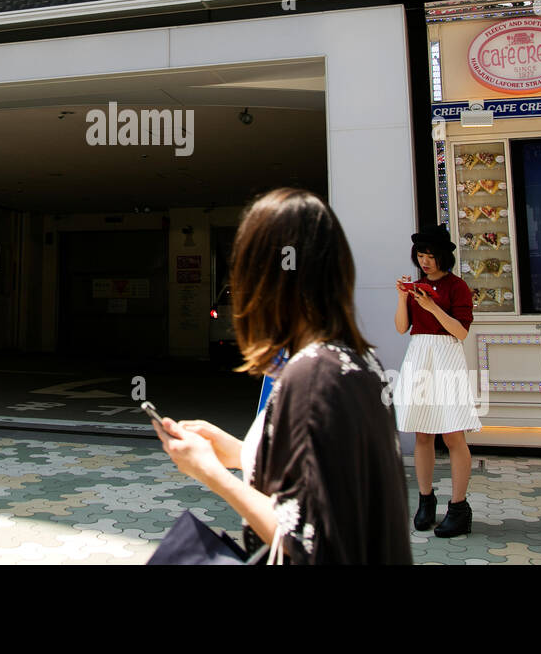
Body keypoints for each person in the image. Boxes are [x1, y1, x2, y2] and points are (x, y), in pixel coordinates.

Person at [156, 188, 411, 564]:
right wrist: (240, 453)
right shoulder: (359, 360)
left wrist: (212, 474)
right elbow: (328, 477)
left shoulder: (312, 374)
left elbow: (309, 540)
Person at [393, 224, 479, 537]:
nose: (425, 260)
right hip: (419, 356)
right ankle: (426, 502)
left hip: (446, 357)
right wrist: (403, 299)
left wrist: (432, 306)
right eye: (420, 254)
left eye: (430, 255)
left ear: (443, 256)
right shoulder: (416, 286)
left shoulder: (457, 287)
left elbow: (461, 331)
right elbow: (402, 328)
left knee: (454, 435)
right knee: (423, 434)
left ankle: (458, 507)